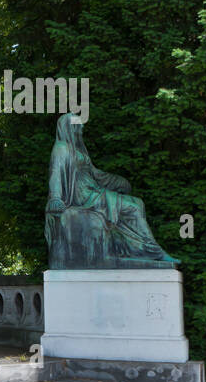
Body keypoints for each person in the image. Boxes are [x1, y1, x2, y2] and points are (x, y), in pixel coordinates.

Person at [45, 113, 176, 267]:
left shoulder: (78, 151)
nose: (81, 128)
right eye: (78, 125)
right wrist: (55, 197)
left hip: (94, 192)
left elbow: (97, 175)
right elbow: (55, 174)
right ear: (69, 127)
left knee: (137, 204)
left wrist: (119, 182)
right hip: (84, 197)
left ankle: (143, 250)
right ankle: (154, 252)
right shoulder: (62, 149)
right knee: (133, 207)